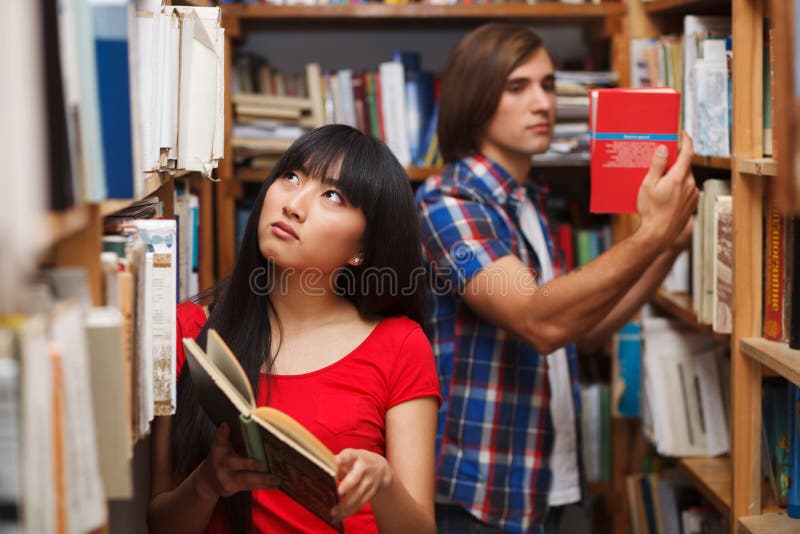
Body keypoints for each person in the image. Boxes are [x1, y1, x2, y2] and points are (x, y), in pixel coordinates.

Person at [416, 23, 698, 533]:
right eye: (517, 86)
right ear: (474, 99)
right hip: (479, 499)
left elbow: (581, 330)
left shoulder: (526, 200)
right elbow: (537, 322)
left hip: (546, 484)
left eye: (548, 85)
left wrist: (669, 245)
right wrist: (650, 236)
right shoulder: (450, 203)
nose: (543, 103)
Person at [148, 125, 441, 534]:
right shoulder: (187, 329)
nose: (294, 205)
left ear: (362, 248)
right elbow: (160, 525)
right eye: (291, 177)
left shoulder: (401, 345)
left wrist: (384, 483)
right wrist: (206, 484)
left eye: (332, 196)